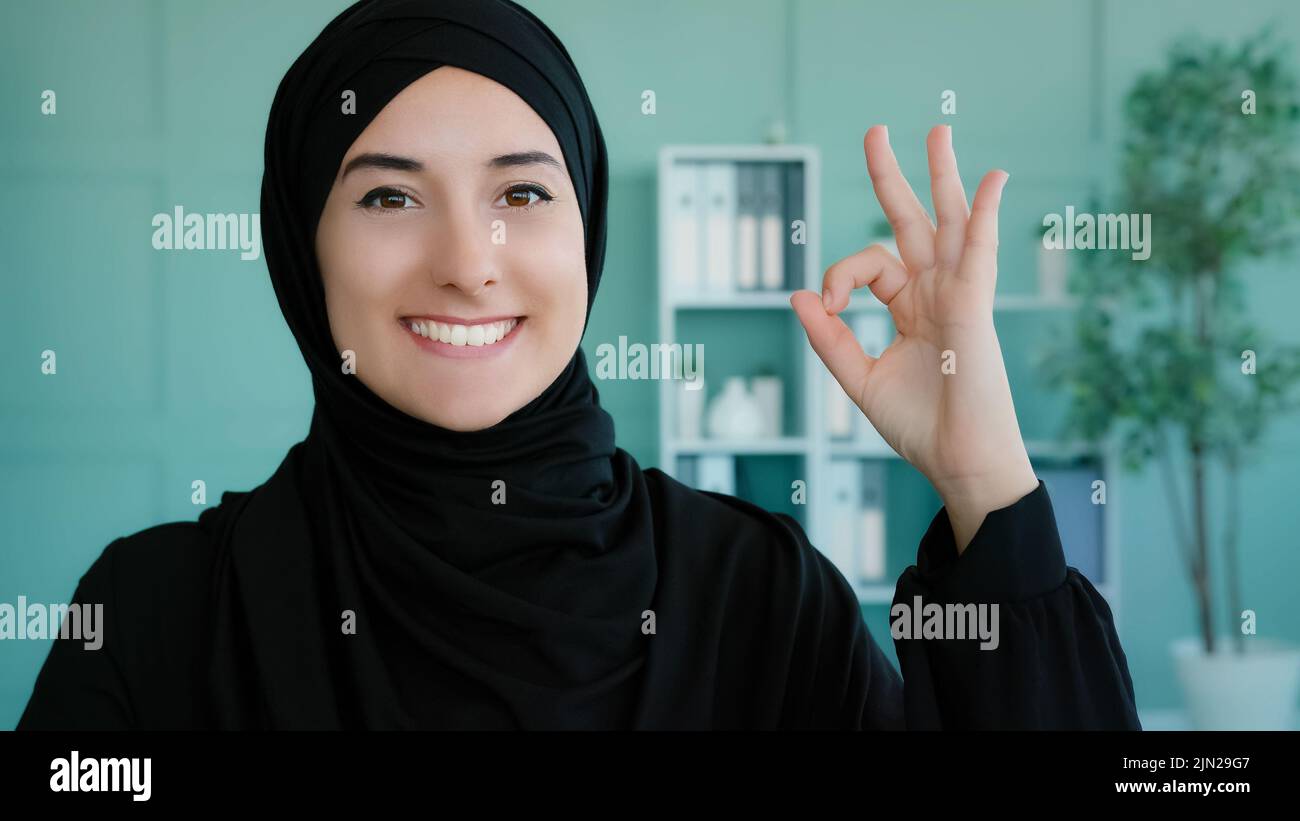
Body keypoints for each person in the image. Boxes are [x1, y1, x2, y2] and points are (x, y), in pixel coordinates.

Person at [17, 0, 1140, 730]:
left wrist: (984, 476)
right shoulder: (156, 613)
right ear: (301, 249)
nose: (469, 263)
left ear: (586, 231)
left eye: (522, 193)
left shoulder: (756, 595)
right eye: (389, 196)